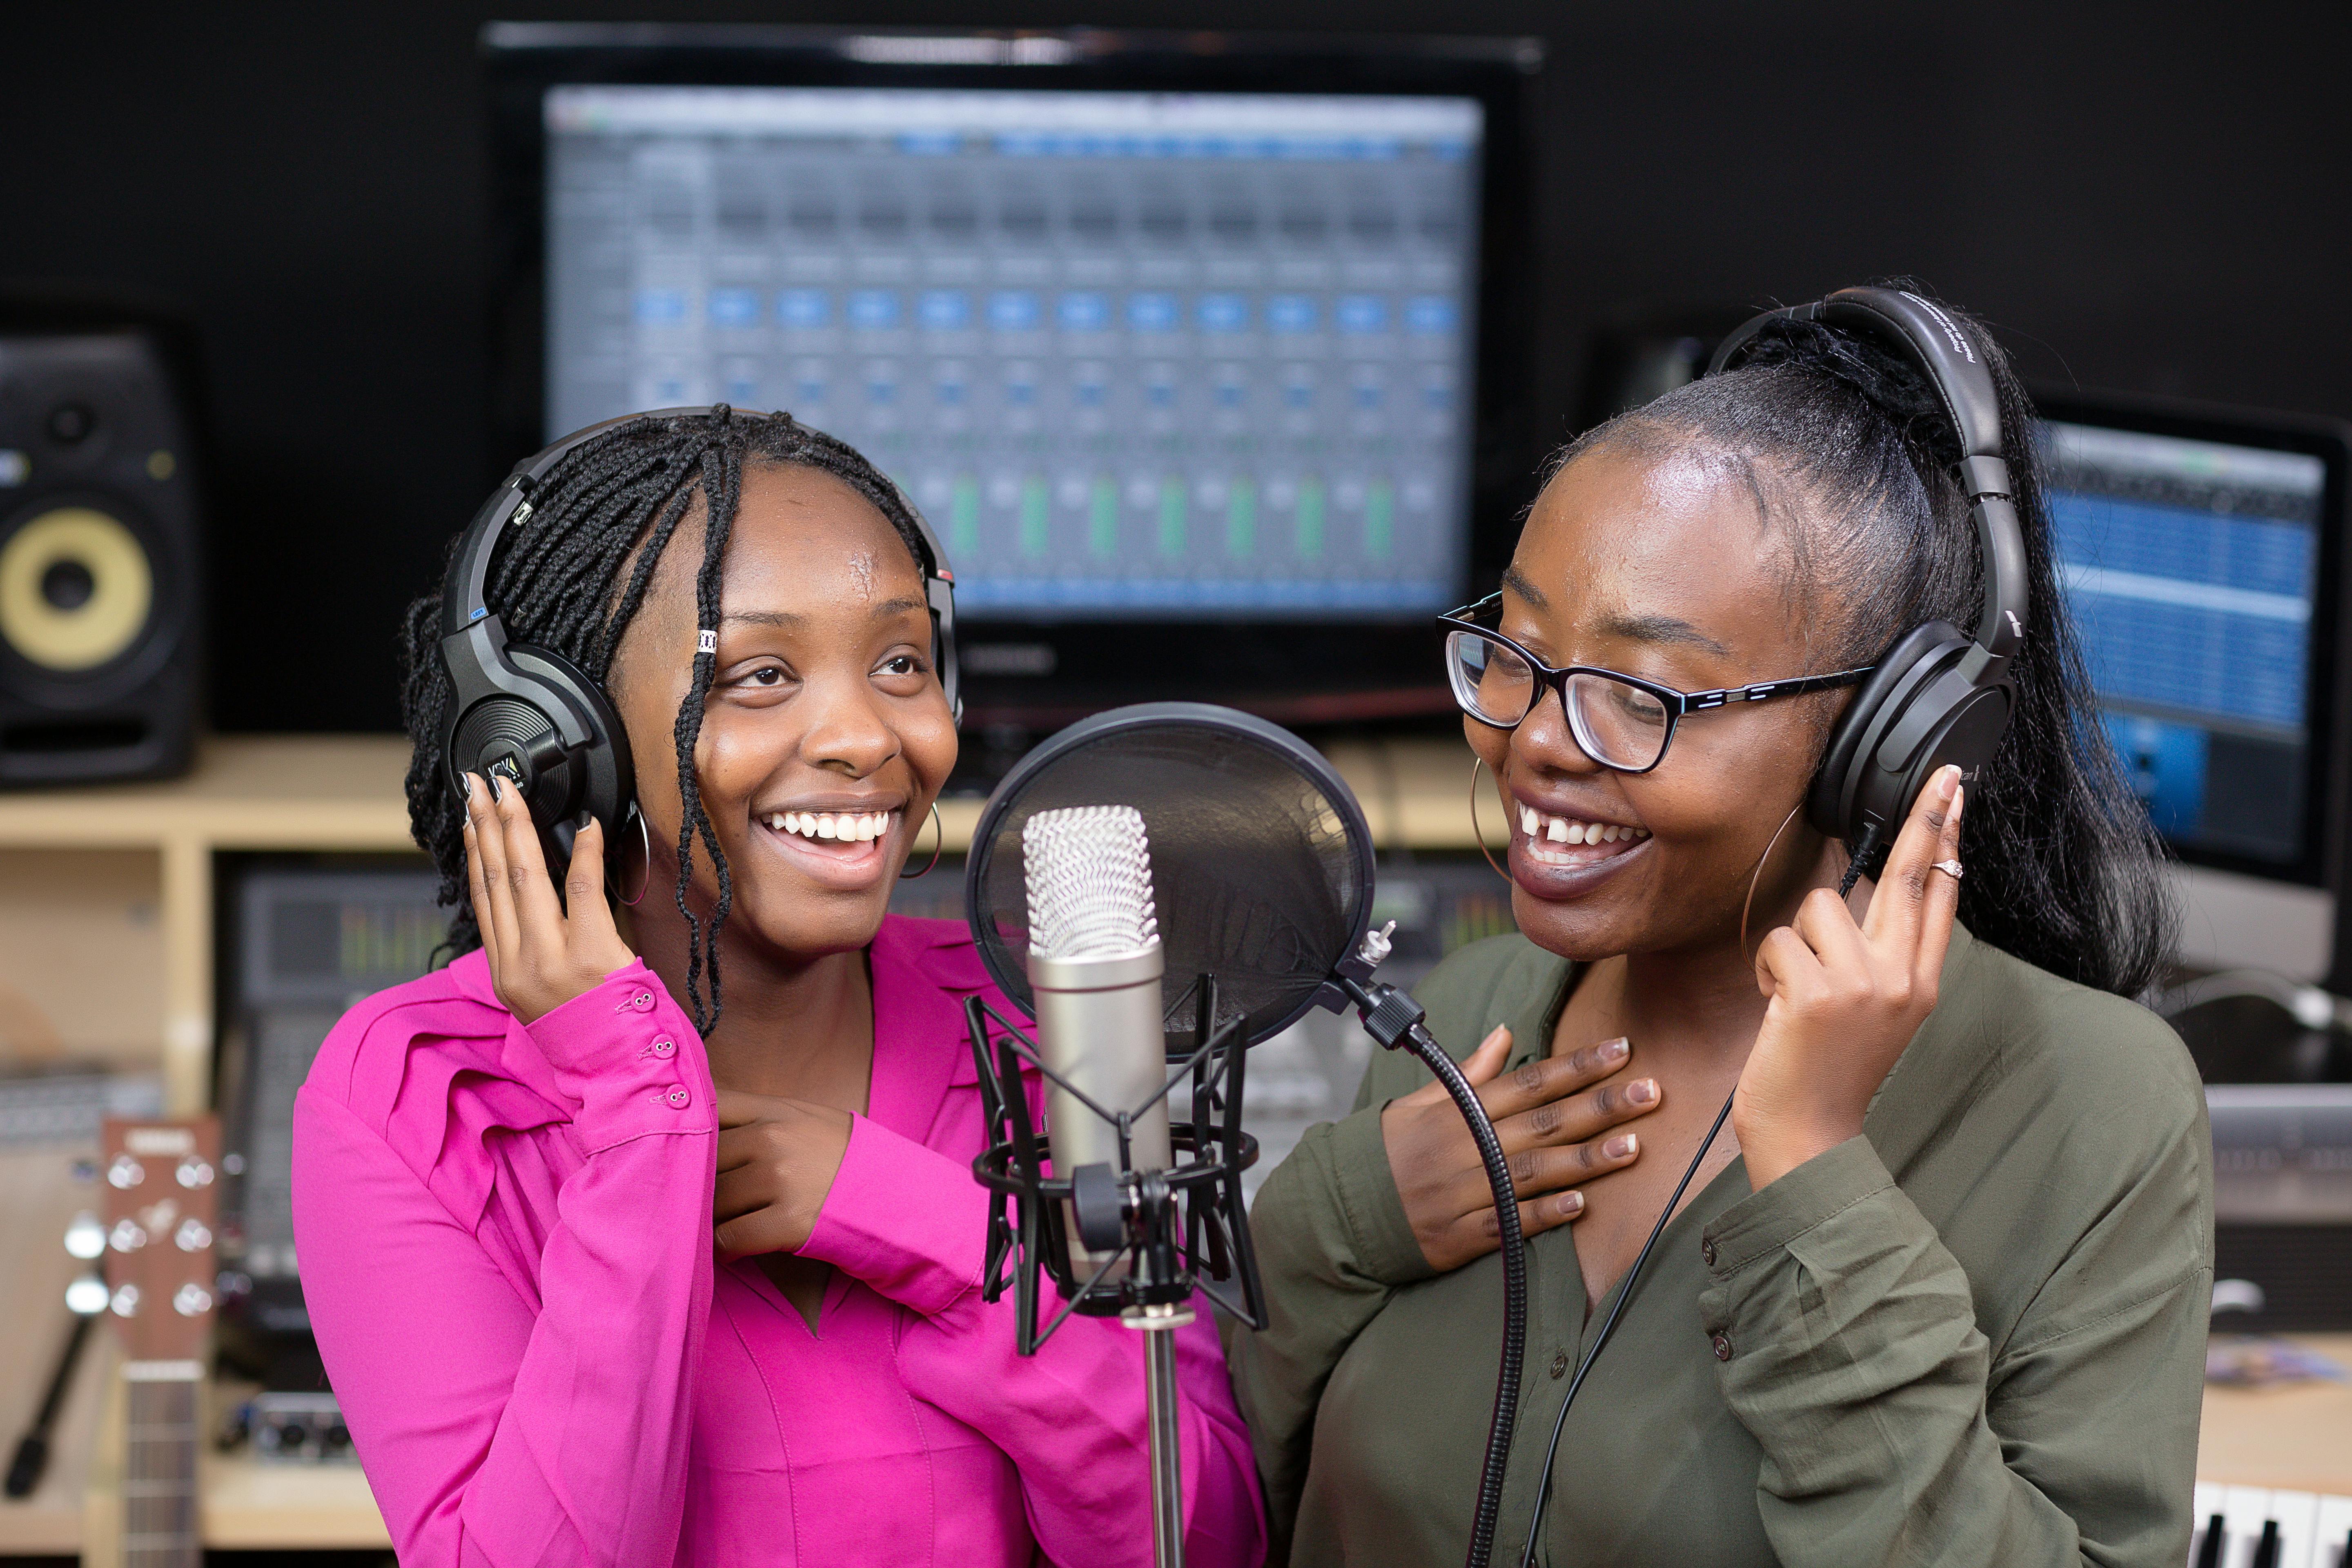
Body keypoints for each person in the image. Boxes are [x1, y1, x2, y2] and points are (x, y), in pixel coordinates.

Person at [1226, 294, 2210, 1567]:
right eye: (1514, 650)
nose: (1532, 741)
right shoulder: (1475, 1017)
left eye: (1643, 694)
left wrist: (1811, 1173)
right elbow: (1199, 1489)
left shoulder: (2096, 1106)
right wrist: (1340, 1222)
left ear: (1886, 741)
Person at [290, 408, 1264, 1566]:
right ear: (558, 743)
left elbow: (1202, 1540)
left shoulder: (1043, 1021)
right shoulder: (414, 1094)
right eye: (758, 675)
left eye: (901, 662)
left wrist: (904, 1214)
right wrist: (640, 1125)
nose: (866, 735)